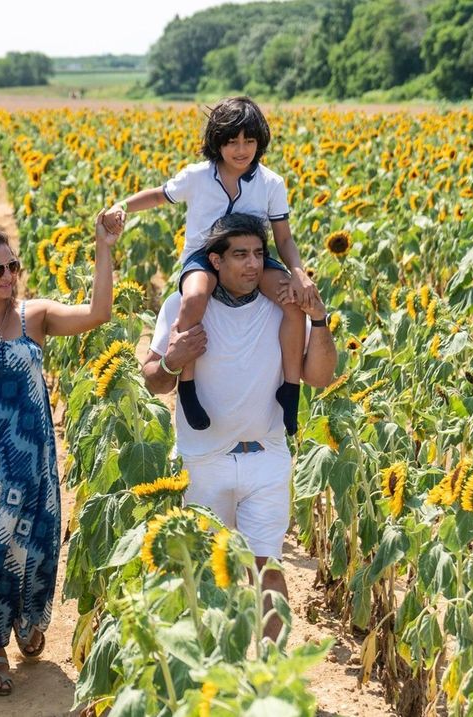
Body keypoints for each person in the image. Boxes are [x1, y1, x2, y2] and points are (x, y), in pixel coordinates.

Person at [0, 212, 120, 695]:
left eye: (14, 267)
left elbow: (98, 313)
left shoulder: (35, 316)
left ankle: (27, 619)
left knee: (36, 548)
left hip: (33, 461)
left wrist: (104, 247)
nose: (9, 277)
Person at [140, 213, 336, 641]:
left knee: (267, 567)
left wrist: (318, 319)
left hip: (266, 456)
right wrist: (174, 359)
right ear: (214, 261)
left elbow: (319, 377)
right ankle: (218, 674)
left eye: (259, 255)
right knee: (211, 572)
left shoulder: (281, 305)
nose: (252, 265)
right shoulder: (181, 304)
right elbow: (153, 378)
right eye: (241, 255)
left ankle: (273, 678)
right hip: (204, 460)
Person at [104, 96, 314, 436]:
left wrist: (299, 273)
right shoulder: (198, 176)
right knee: (193, 300)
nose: (241, 149)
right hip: (203, 257)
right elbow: (159, 195)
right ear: (216, 142)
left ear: (261, 140)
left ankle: (290, 389)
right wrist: (122, 207)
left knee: (291, 301)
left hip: (250, 257)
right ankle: (187, 386)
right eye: (232, 141)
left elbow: (284, 238)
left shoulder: (271, 183)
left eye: (249, 140)